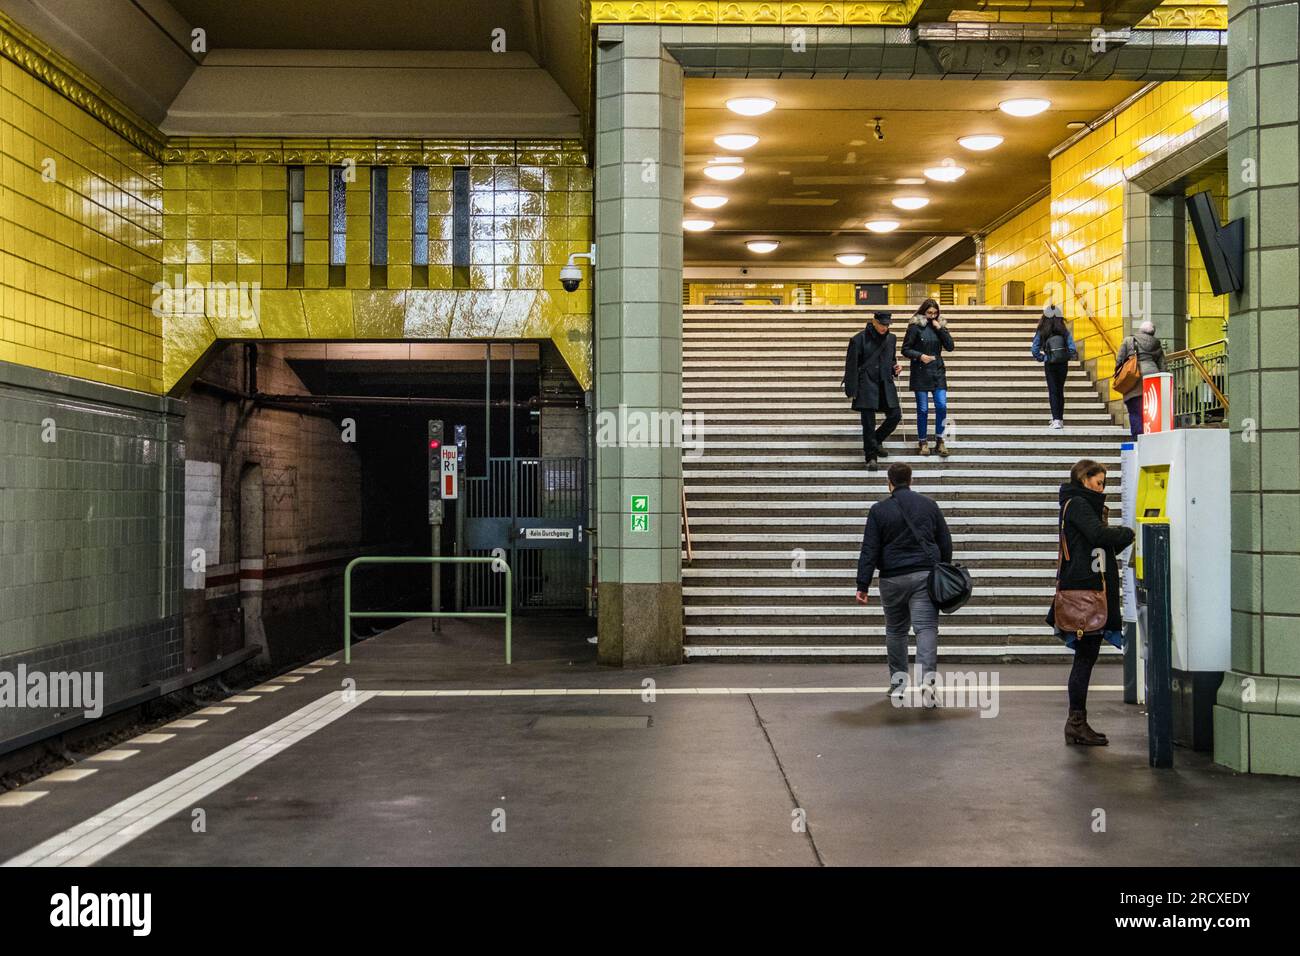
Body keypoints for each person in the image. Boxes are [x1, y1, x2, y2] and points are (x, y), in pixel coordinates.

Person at [1048, 459, 1134, 746]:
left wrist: (1119, 538)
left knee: (1085, 658)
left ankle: (1078, 722)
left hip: (1090, 591)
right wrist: (1128, 531)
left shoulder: (1082, 505)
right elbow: (1097, 535)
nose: (1102, 488)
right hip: (1086, 595)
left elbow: (1098, 543)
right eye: (1098, 483)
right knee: (1084, 660)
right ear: (1085, 479)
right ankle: (1076, 723)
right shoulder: (1079, 505)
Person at [855, 462, 954, 702]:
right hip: (924, 577)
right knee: (926, 629)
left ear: (889, 482)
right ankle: (928, 682)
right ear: (911, 480)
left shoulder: (879, 510)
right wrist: (943, 569)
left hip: (891, 578)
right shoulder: (929, 505)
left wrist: (863, 584)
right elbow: (945, 541)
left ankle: (898, 684)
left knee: (896, 630)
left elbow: (870, 548)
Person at [843, 311, 902, 471]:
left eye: (887, 324)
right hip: (866, 384)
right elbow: (851, 365)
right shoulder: (858, 339)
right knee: (868, 423)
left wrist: (895, 368)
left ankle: (875, 441)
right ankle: (871, 457)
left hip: (885, 383)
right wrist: (851, 388)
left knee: (895, 415)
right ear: (874, 322)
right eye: (882, 324)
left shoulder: (891, 339)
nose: (885, 327)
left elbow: (891, 360)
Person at [901, 297, 955, 457]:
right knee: (923, 409)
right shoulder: (915, 327)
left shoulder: (940, 326)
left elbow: (950, 347)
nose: (932, 315)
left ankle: (940, 440)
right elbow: (905, 349)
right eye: (929, 312)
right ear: (923, 312)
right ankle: (923, 442)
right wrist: (920, 356)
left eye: (935, 313)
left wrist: (940, 329)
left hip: (937, 372)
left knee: (941, 406)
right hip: (920, 372)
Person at [1114, 320, 1167, 437]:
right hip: (1153, 379)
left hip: (1134, 378)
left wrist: (1118, 373)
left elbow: (1119, 360)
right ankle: (1150, 437)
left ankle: (1137, 439)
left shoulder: (1129, 340)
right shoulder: (1156, 343)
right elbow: (1163, 365)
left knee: (1135, 411)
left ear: (1140, 330)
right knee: (1151, 413)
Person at [1030, 304, 1078, 430]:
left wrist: (1044, 358)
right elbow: (1073, 349)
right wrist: (1064, 357)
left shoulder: (1042, 331)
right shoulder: (1064, 330)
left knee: (1053, 391)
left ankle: (1056, 419)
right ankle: (1060, 419)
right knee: (1060, 390)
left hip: (1050, 364)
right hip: (1062, 364)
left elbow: (1034, 349)